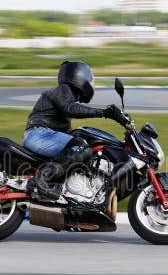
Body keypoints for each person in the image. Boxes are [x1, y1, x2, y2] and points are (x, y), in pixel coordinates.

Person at [23, 61, 127, 199]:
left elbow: (67, 131)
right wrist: (105, 112)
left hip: (45, 136)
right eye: (89, 79)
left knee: (80, 145)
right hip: (39, 134)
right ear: (79, 75)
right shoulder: (63, 90)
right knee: (81, 147)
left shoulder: (66, 97)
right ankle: (39, 181)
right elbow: (71, 109)